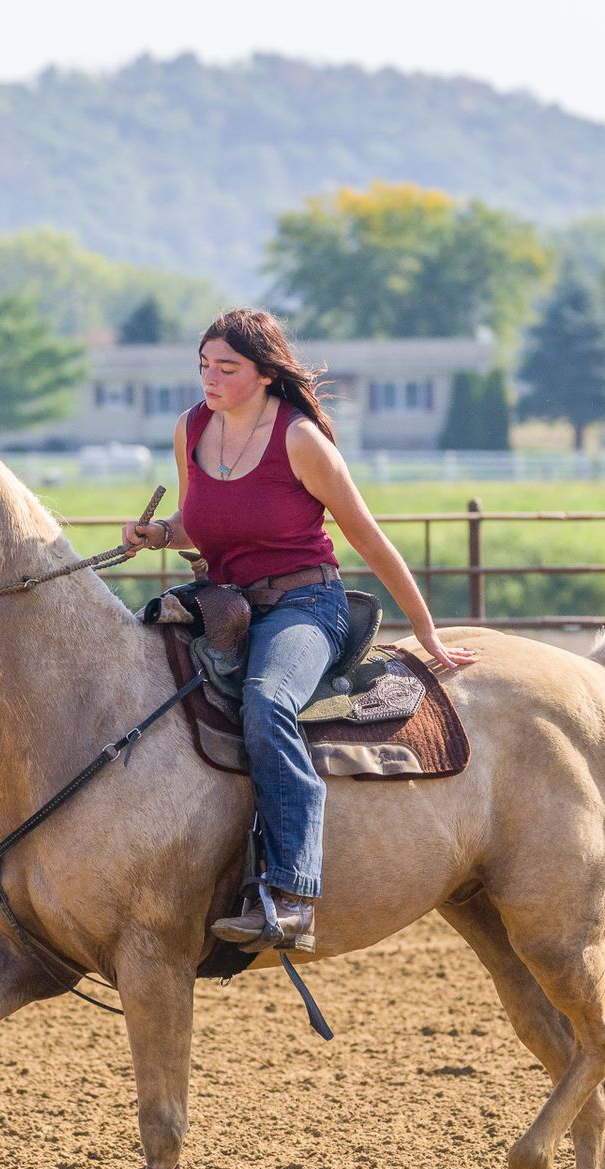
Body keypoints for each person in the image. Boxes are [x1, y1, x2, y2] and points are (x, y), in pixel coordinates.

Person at [121, 308, 479, 953]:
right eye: (204, 365)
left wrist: (424, 632)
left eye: (227, 368)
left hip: (306, 605)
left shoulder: (300, 440)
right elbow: (199, 521)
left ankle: (292, 894)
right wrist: (159, 535)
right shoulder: (190, 429)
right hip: (227, 602)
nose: (211, 378)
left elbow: (368, 538)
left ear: (263, 375)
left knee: (266, 701)